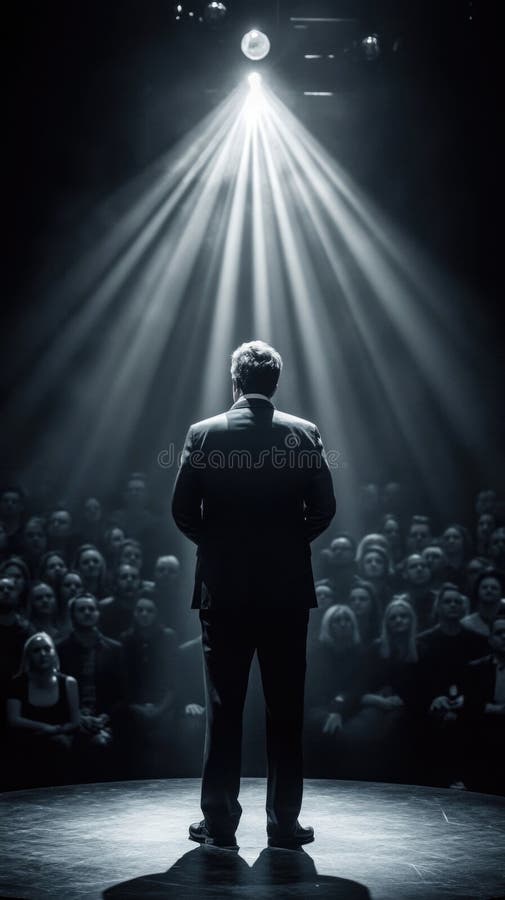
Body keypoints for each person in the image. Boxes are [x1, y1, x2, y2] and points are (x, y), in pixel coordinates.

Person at [172, 340, 336, 850]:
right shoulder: (303, 433)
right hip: (286, 590)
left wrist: (220, 548)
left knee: (224, 708)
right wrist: (287, 546)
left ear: (235, 381)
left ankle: (219, 824)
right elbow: (324, 508)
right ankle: (284, 824)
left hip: (224, 590)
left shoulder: (204, 434)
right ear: (276, 382)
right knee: (285, 708)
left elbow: (181, 511)